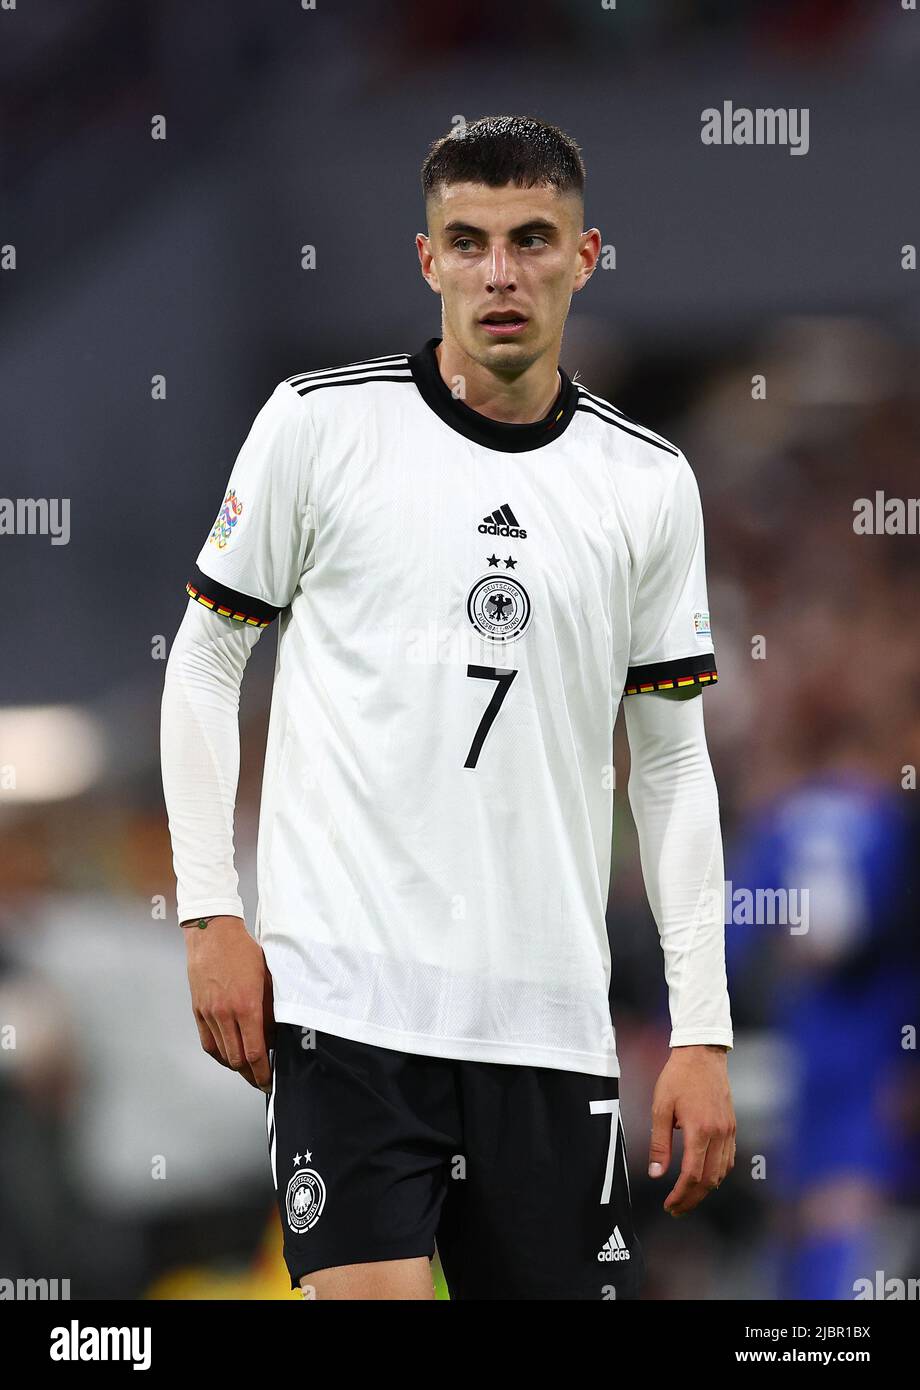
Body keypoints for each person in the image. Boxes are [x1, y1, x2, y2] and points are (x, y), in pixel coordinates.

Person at [160, 114, 735, 1301]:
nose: (499, 272)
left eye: (532, 240)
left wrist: (702, 1027)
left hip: (547, 1025)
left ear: (585, 257)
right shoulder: (320, 425)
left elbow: (670, 767)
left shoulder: (646, 485)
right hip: (346, 1004)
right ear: (427, 262)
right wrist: (209, 909)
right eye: (466, 243)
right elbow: (207, 661)